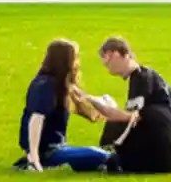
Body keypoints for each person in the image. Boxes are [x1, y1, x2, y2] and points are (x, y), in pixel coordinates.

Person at [81, 36, 171, 174]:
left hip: (156, 158)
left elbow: (129, 118)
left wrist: (94, 102)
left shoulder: (140, 78)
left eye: (108, 59)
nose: (107, 66)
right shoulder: (149, 77)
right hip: (170, 159)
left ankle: (107, 154)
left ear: (117, 53)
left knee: (115, 121)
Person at [14, 39, 112, 172]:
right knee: (104, 157)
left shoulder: (58, 83)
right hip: (49, 152)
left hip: (57, 148)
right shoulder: (46, 86)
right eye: (75, 57)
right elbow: (36, 119)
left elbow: (84, 101)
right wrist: (34, 158)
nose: (77, 63)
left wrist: (105, 103)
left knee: (100, 153)